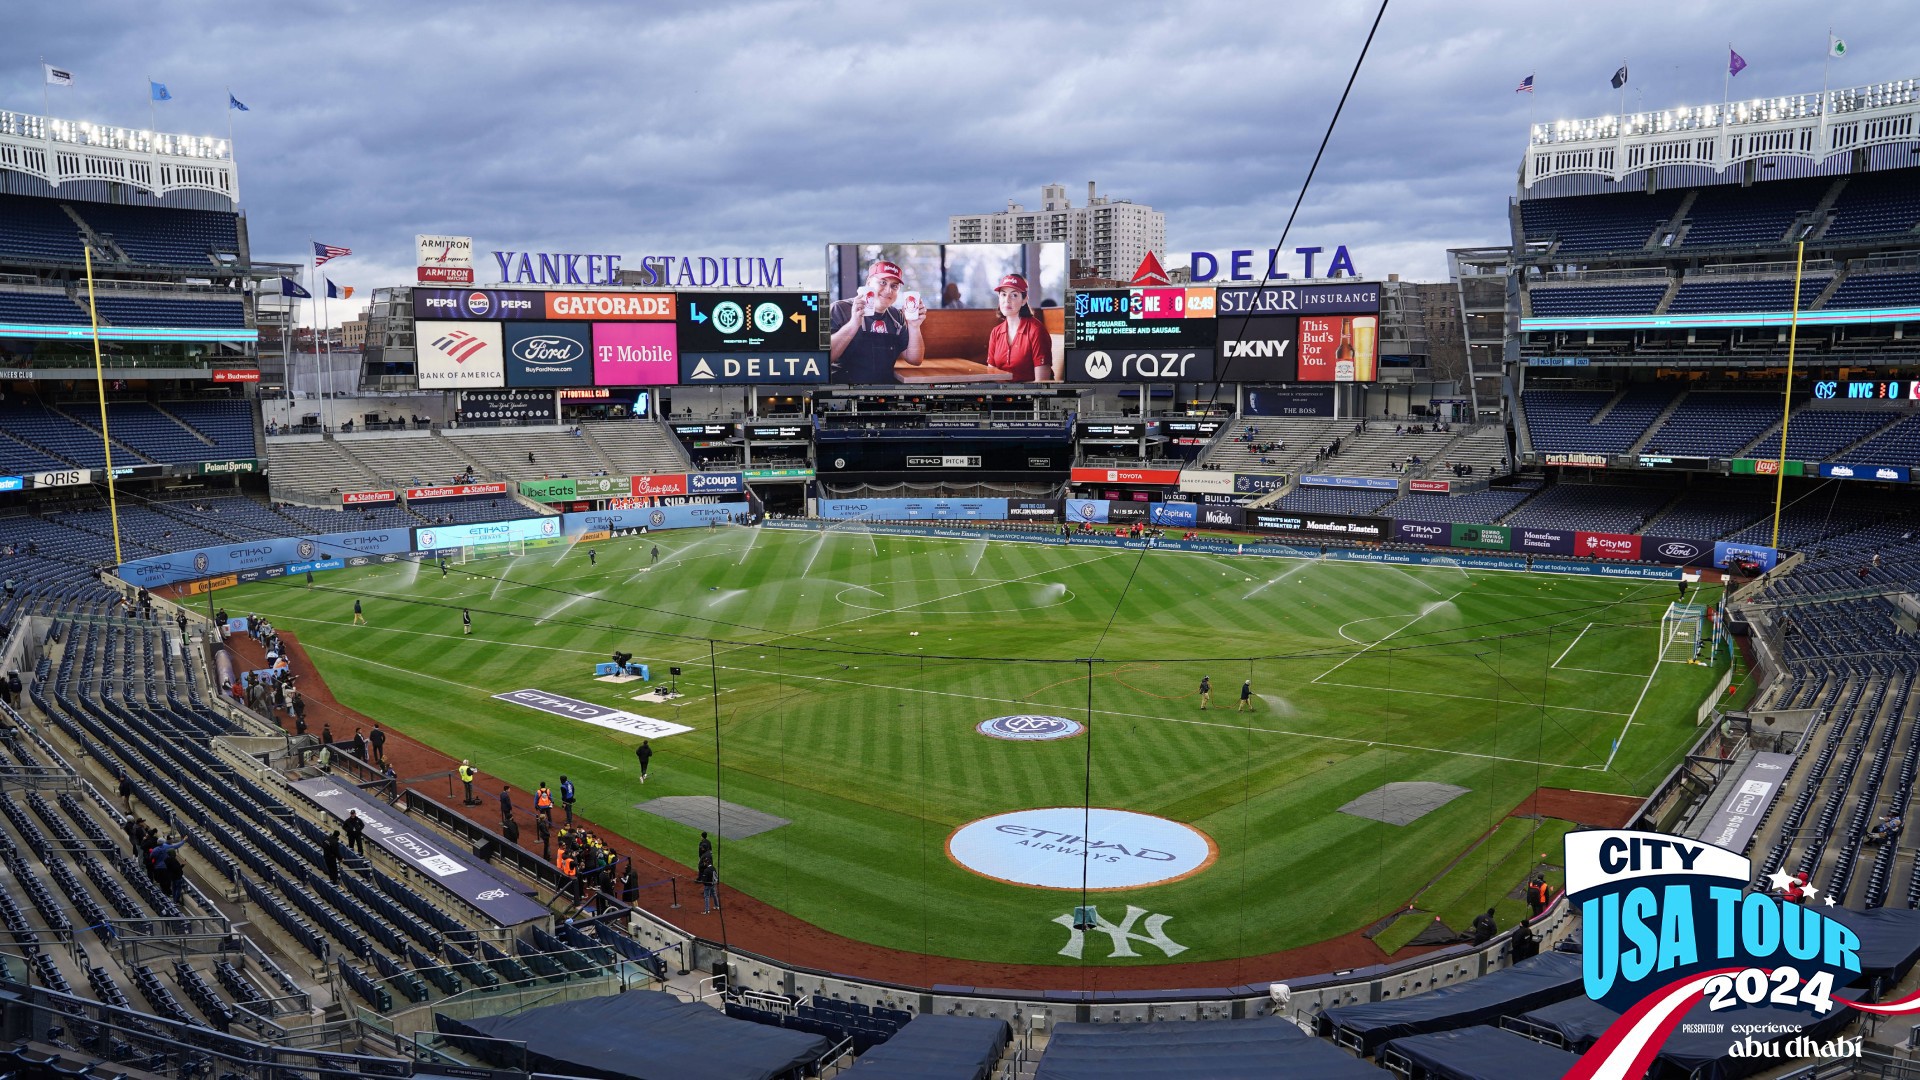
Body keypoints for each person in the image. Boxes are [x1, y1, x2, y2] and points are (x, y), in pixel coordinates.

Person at [828, 259, 925, 384]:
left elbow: (915, 360)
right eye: (883, 282)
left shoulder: (897, 316)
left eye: (894, 286)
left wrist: (914, 326)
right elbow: (826, 358)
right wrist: (853, 324)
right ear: (869, 283)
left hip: (883, 392)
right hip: (845, 390)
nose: (889, 290)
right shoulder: (840, 309)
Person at [984, 274, 1054, 382]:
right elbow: (991, 374)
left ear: (1024, 300)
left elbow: (1042, 383)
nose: (1007, 300)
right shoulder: (996, 332)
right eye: (1003, 294)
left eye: (1014, 295)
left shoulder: (1036, 330)